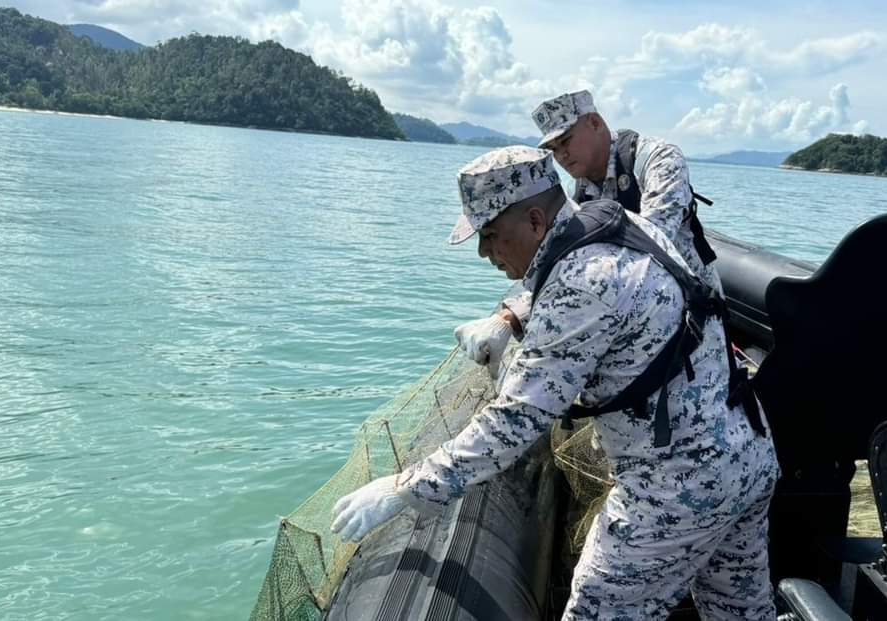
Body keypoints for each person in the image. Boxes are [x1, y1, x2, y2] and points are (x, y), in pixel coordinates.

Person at [331, 146, 779, 620]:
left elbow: (514, 423)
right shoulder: (622, 227)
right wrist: (509, 319)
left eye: (490, 234)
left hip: (677, 488)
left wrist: (405, 488)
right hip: (746, 456)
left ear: (534, 221)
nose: (485, 252)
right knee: (740, 612)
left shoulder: (580, 285)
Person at [456, 90, 720, 380]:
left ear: (595, 122)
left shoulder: (657, 159)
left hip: (689, 311)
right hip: (630, 316)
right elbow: (561, 261)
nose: (562, 155)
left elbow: (650, 243)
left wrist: (528, 313)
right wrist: (508, 318)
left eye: (566, 140)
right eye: (553, 149)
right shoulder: (580, 193)